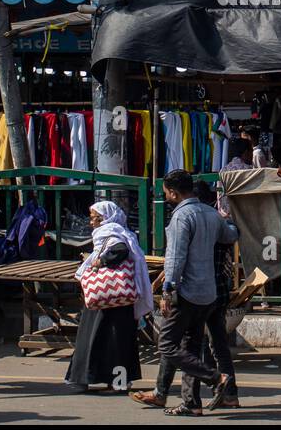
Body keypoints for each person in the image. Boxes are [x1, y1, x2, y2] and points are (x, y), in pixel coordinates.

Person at [131, 170, 237, 416]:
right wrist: (231, 219)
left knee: (167, 344)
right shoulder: (211, 214)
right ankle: (192, 403)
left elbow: (175, 259)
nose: (166, 196)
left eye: (166, 192)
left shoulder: (181, 217)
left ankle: (215, 378)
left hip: (187, 292)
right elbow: (231, 235)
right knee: (191, 346)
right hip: (208, 292)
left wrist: (167, 292)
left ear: (174, 192)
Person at [66, 200, 153, 393]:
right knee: (118, 342)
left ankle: (83, 379)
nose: (92, 223)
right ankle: (119, 382)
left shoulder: (111, 231)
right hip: (117, 298)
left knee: (95, 338)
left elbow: (119, 250)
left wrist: (100, 261)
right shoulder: (117, 231)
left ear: (105, 217)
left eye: (94, 218)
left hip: (106, 296)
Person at [195, 180, 240, 409]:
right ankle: (228, 392)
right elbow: (233, 234)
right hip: (218, 288)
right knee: (217, 343)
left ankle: (217, 385)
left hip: (198, 290)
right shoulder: (217, 220)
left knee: (192, 344)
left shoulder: (193, 220)